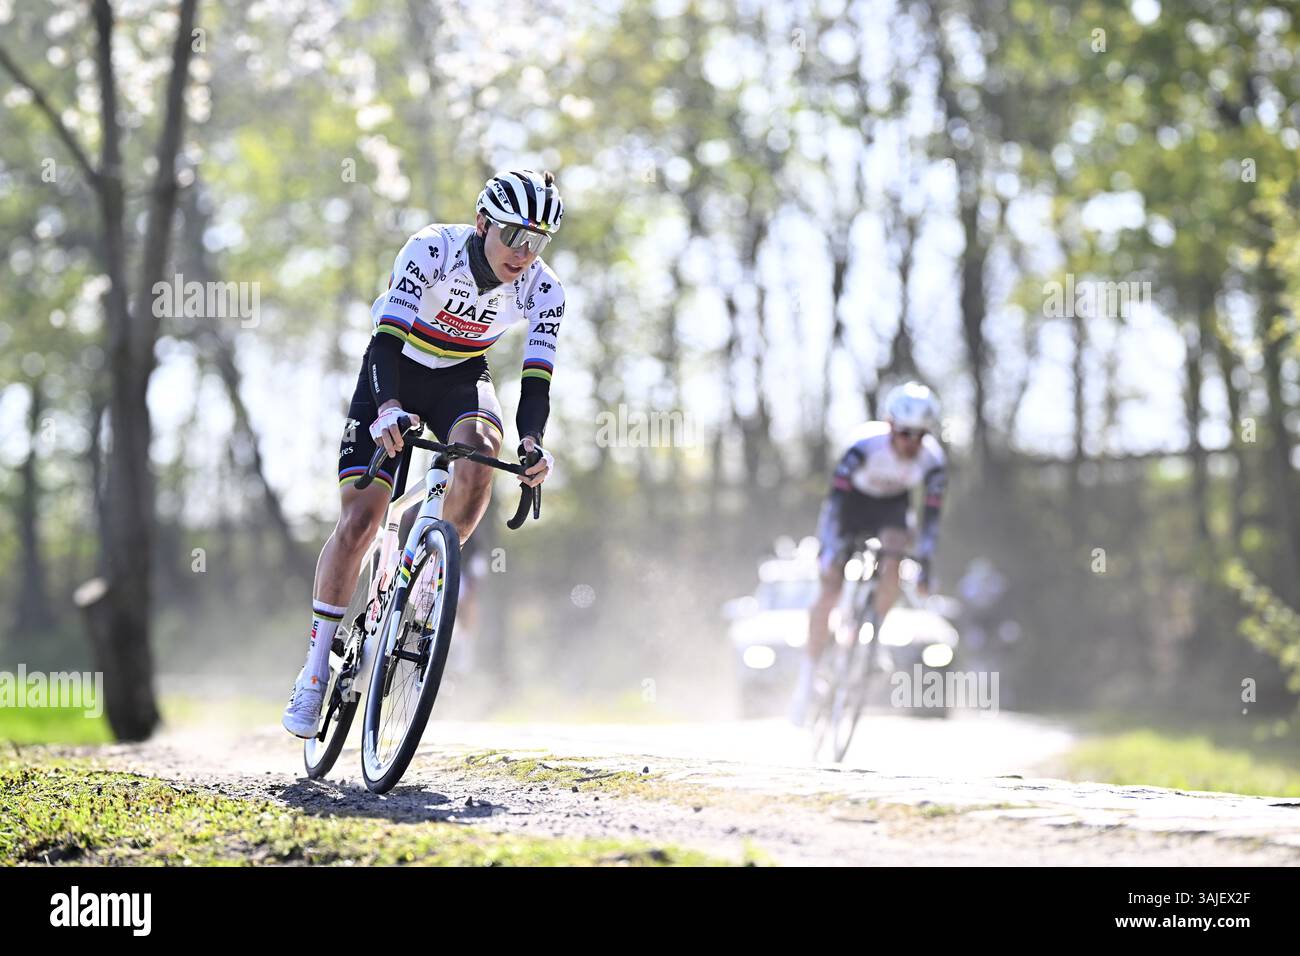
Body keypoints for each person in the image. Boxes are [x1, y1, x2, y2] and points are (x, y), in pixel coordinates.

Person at [282, 169, 565, 737]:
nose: (523, 253)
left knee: (484, 454)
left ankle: (423, 579)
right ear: (483, 223)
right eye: (514, 236)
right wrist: (386, 408)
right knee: (361, 520)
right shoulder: (430, 249)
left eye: (537, 242)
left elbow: (536, 381)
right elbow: (384, 341)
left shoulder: (545, 290)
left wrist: (533, 444)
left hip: (461, 377)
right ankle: (314, 672)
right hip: (395, 369)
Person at [789, 381, 947, 725]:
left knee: (896, 558)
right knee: (830, 586)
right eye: (906, 434)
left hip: (891, 509)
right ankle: (806, 679)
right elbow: (834, 503)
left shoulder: (933, 459)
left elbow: (931, 517)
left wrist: (926, 562)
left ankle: (872, 633)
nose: (913, 443)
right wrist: (829, 547)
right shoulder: (864, 445)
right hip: (851, 508)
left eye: (921, 435)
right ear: (891, 425)